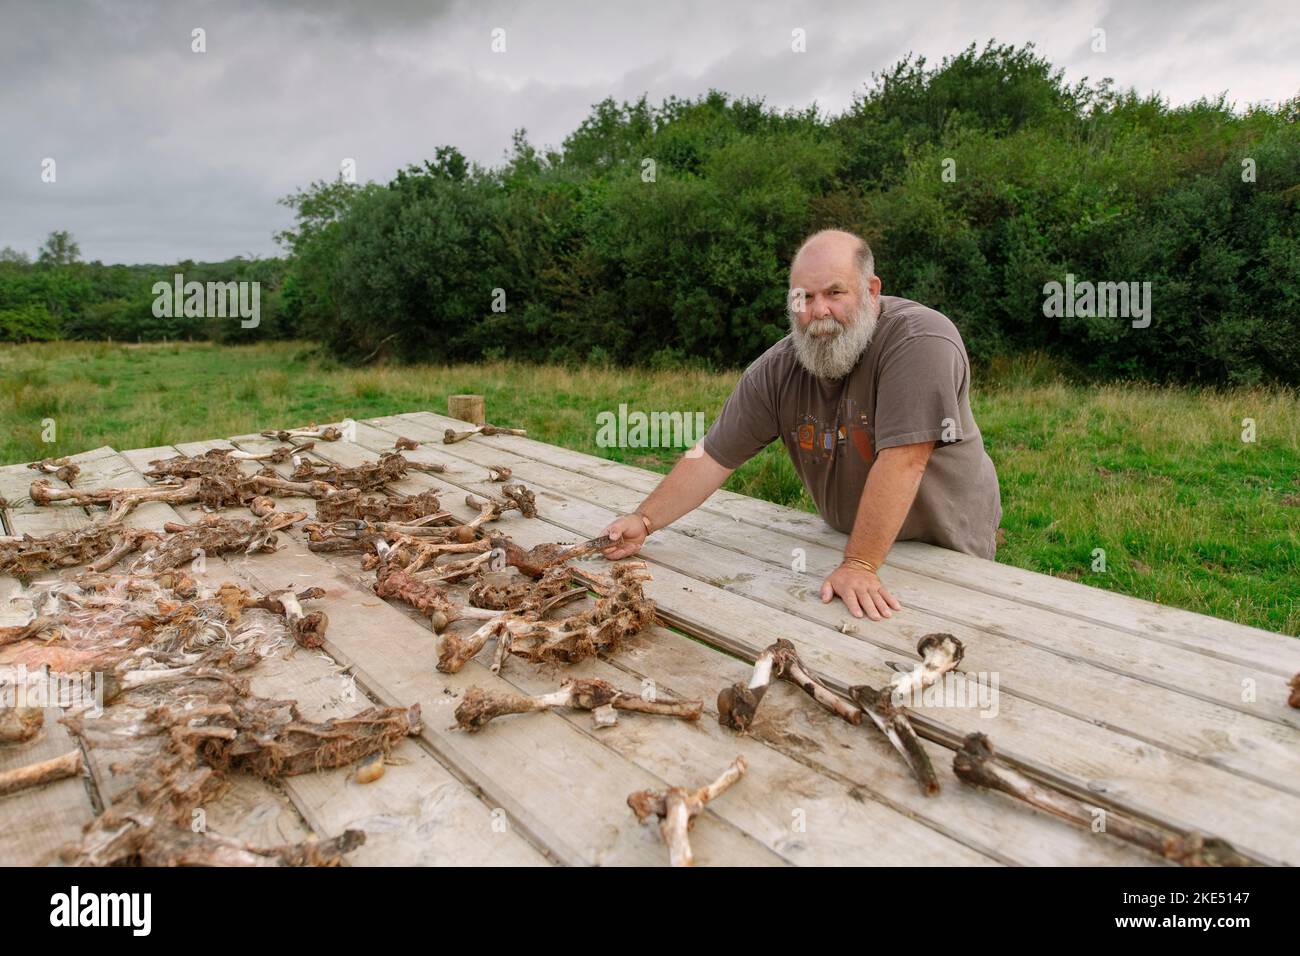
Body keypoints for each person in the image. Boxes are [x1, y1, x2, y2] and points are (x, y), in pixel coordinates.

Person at [601, 228, 1002, 621]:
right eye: (804, 298)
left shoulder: (920, 340)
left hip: (946, 549)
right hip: (850, 544)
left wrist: (860, 565)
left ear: (872, 290)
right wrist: (646, 520)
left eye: (834, 293)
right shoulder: (777, 370)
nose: (818, 311)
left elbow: (905, 459)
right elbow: (712, 456)